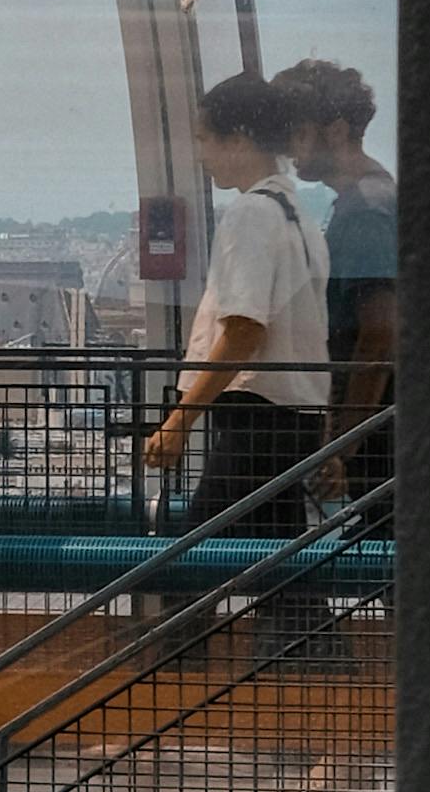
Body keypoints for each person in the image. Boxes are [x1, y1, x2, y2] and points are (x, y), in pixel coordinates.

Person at [137, 75, 331, 520]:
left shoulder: (250, 214)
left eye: (205, 139)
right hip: (298, 416)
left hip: (255, 419)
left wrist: (180, 420)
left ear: (239, 140)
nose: (201, 154)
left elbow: (243, 330)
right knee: (276, 563)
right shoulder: (299, 217)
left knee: (194, 562)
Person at [271, 58, 399, 465]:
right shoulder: (369, 200)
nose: (290, 147)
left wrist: (343, 446)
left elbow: (378, 334)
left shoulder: (364, 211)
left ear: (338, 131)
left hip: (379, 436)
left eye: (300, 132)